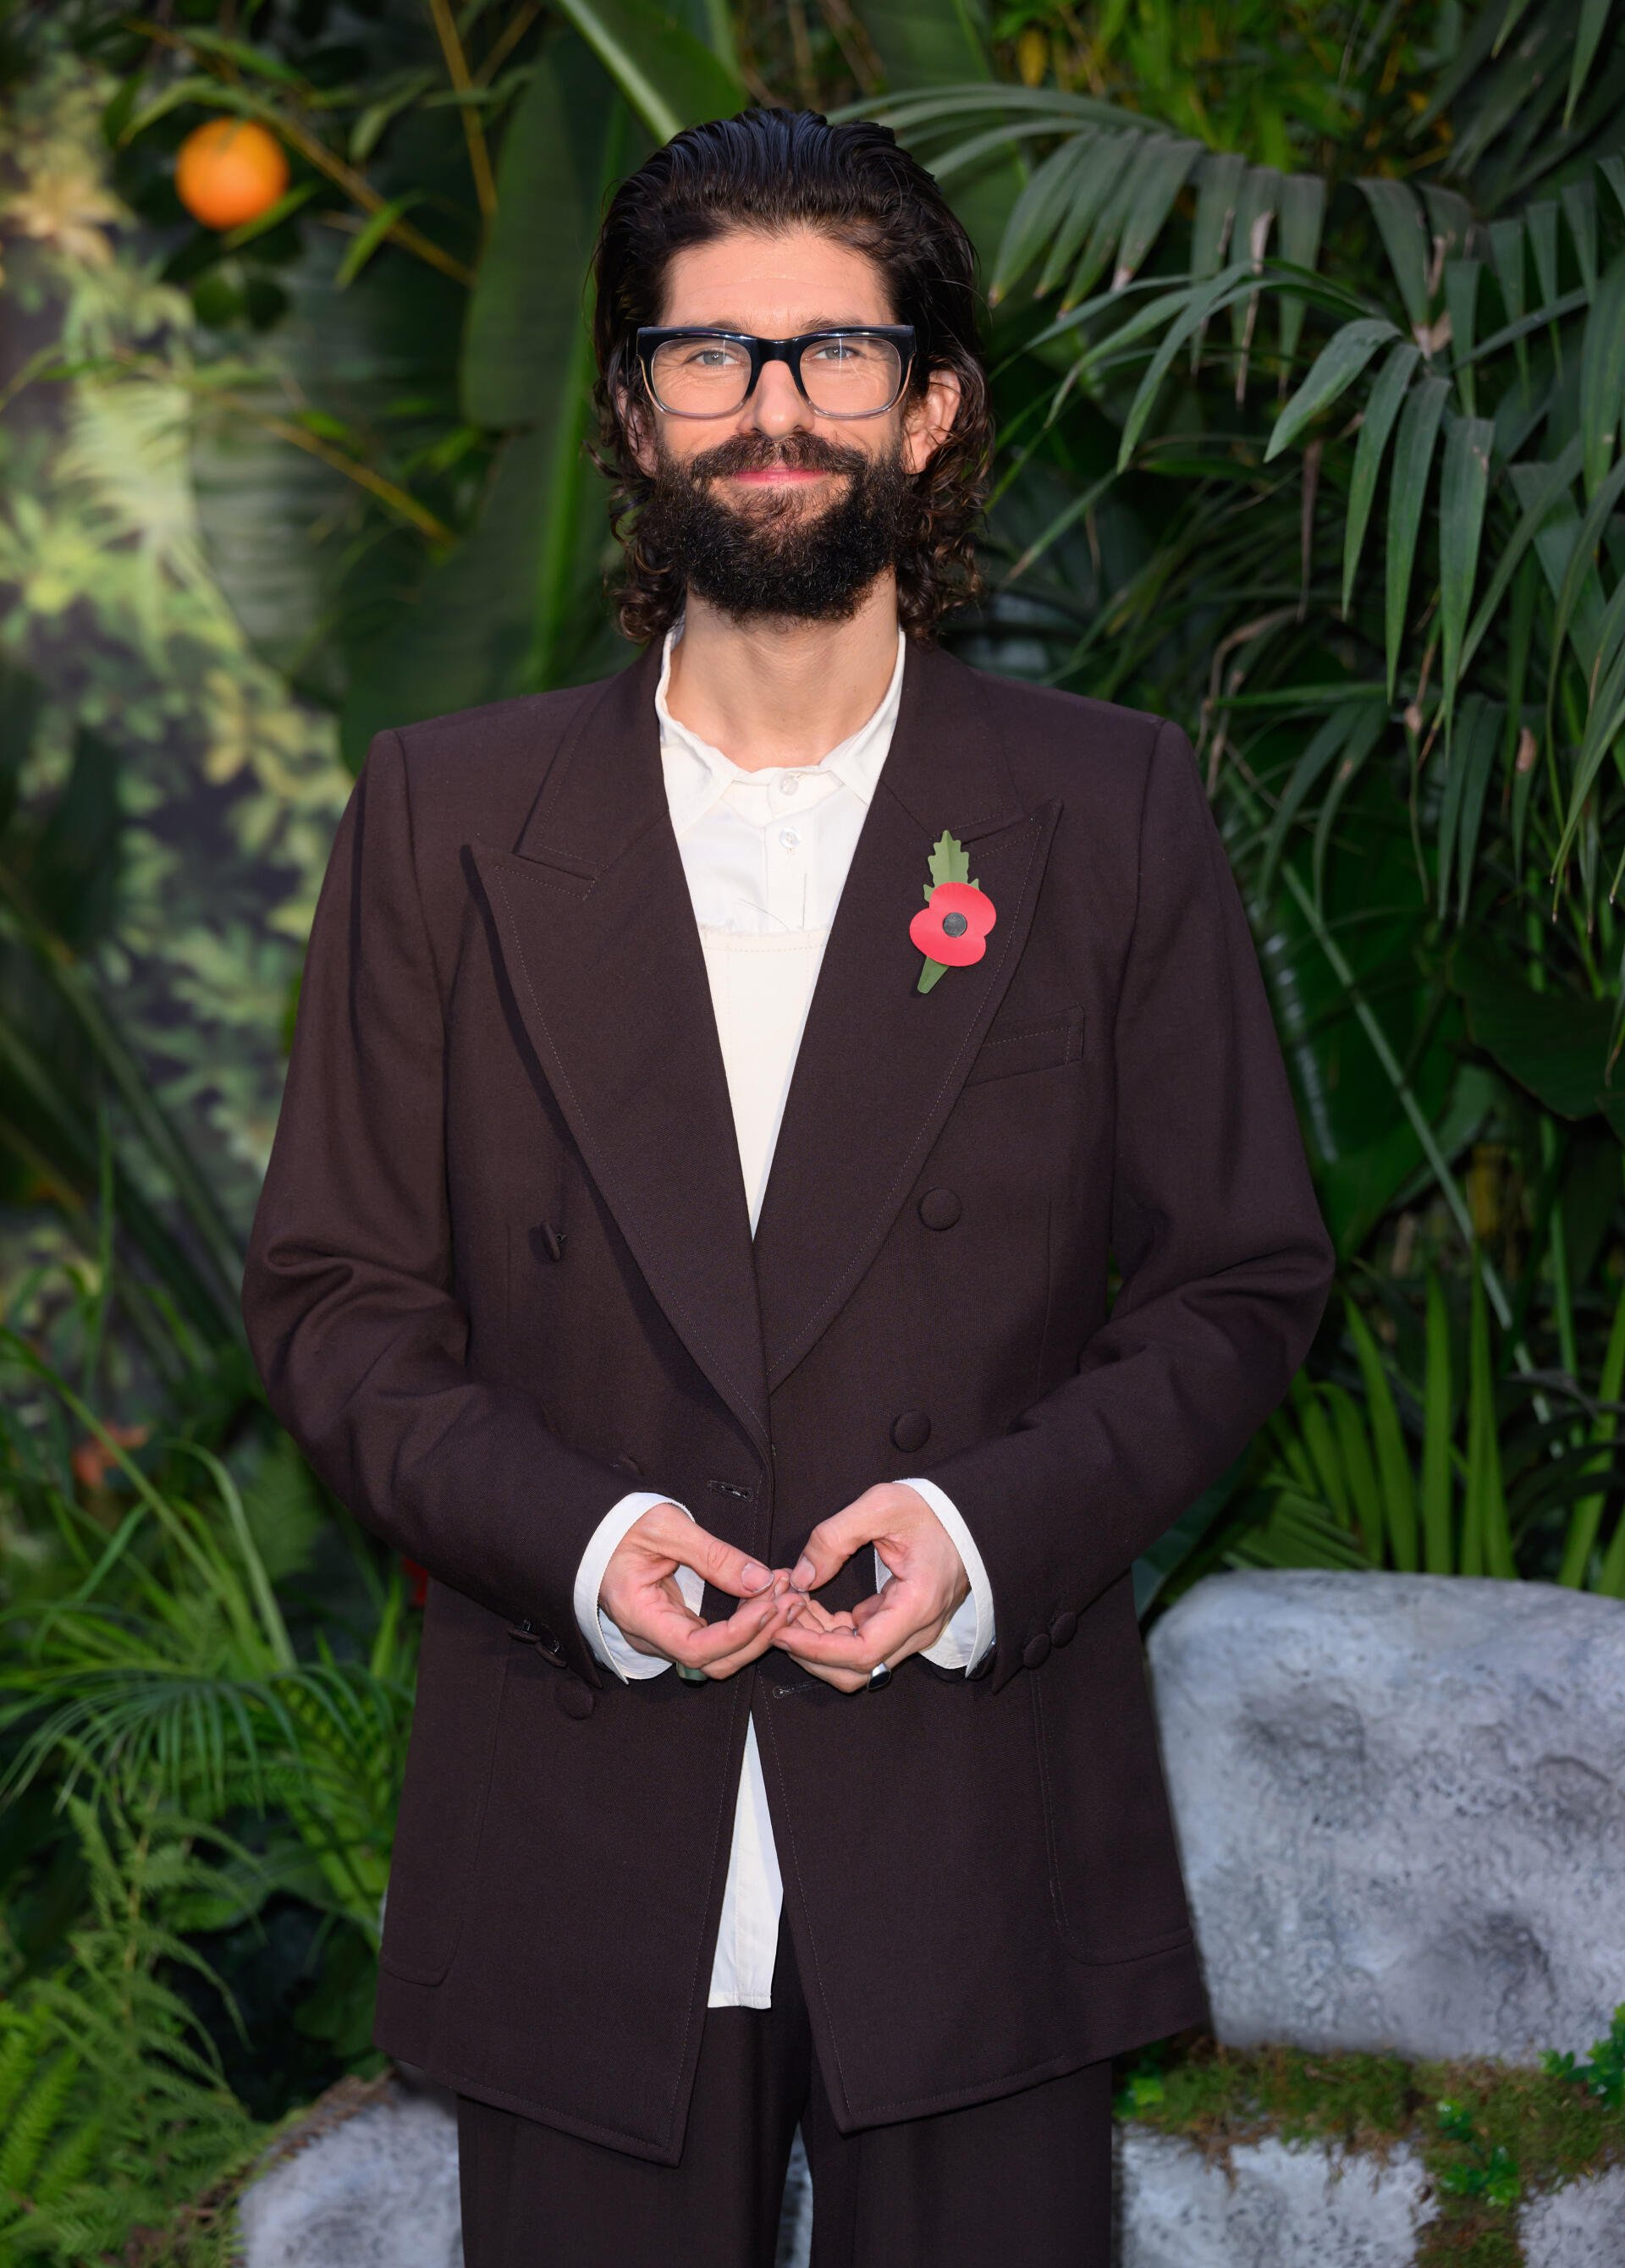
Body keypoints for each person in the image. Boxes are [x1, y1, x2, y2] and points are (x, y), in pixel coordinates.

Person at [241, 105, 1336, 2268]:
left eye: (836, 353)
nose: (773, 410)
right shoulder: (447, 817)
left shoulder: (1097, 805)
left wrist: (967, 1526)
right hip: (579, 1807)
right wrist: (588, 1531)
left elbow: (1239, 1276)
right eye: (709, 357)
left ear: (930, 409)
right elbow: (336, 1303)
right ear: (635, 417)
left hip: (975, 1816)